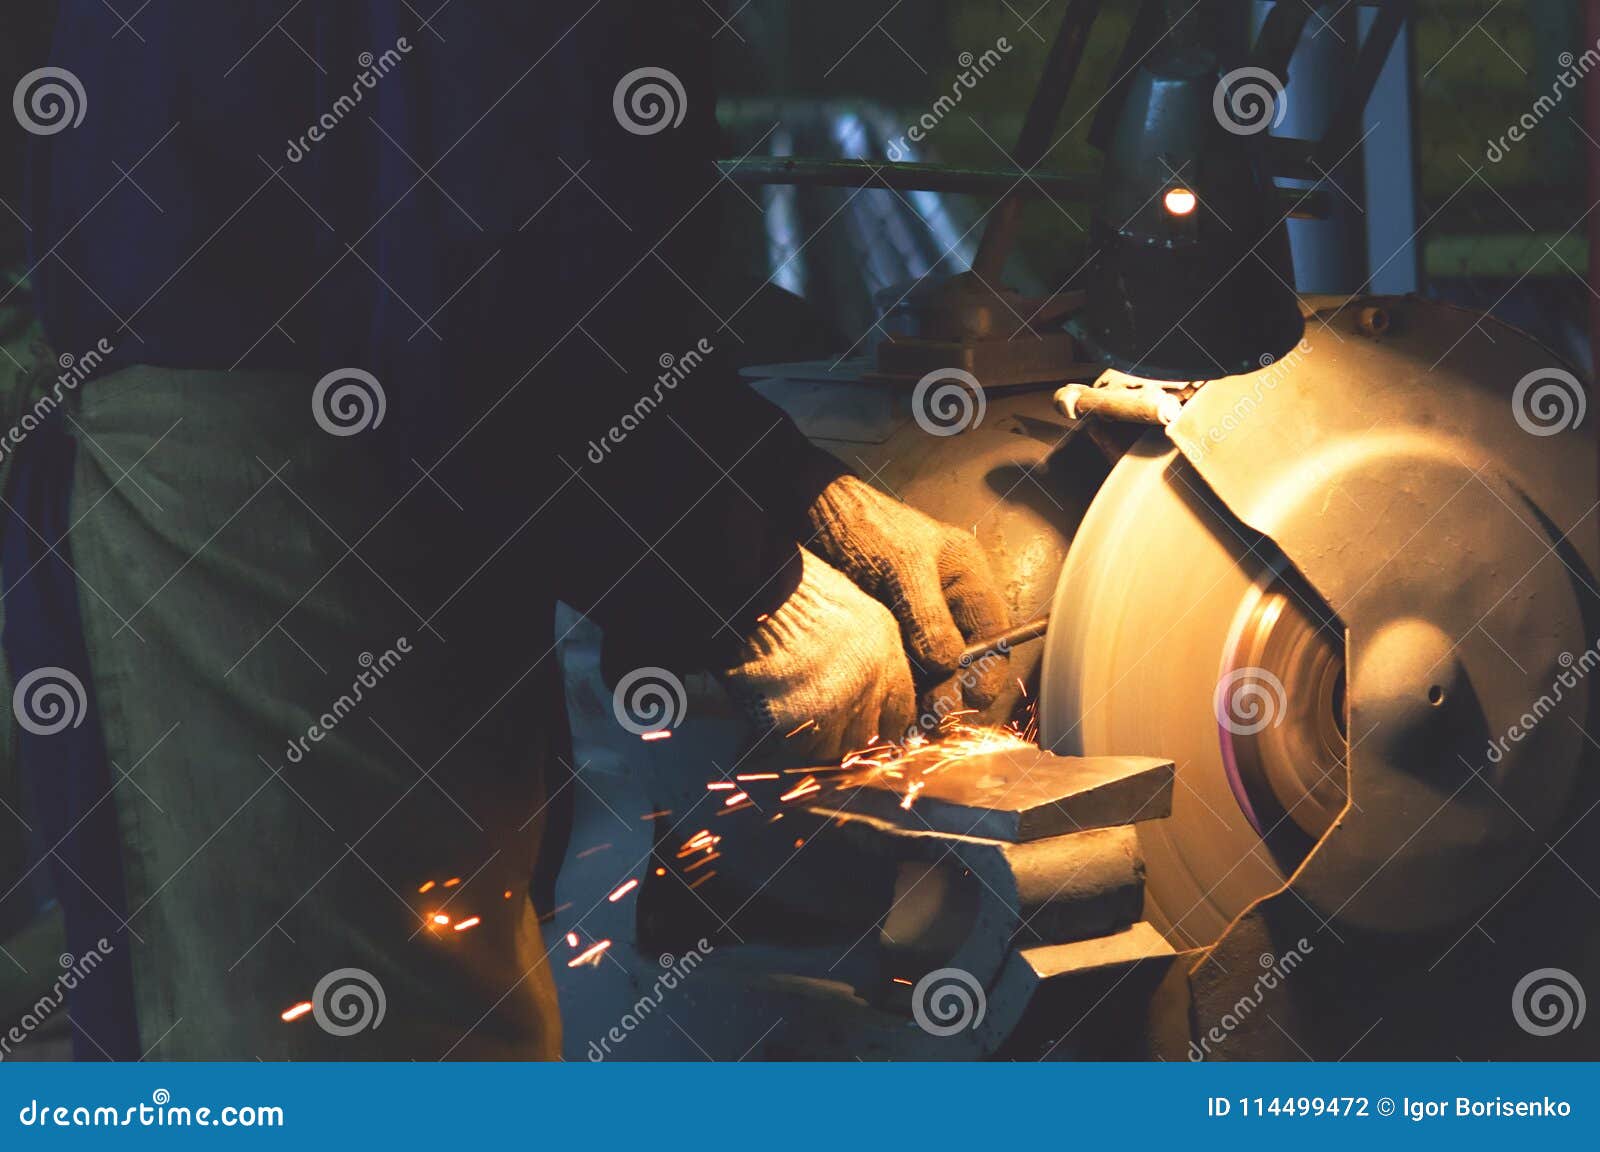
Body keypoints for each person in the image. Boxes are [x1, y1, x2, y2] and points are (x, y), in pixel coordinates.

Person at [0, 1, 1008, 1059]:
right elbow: (487, 317)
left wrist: (798, 487)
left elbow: (571, 269)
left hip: (355, 444)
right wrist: (755, 595)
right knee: (355, 1052)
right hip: (261, 524)